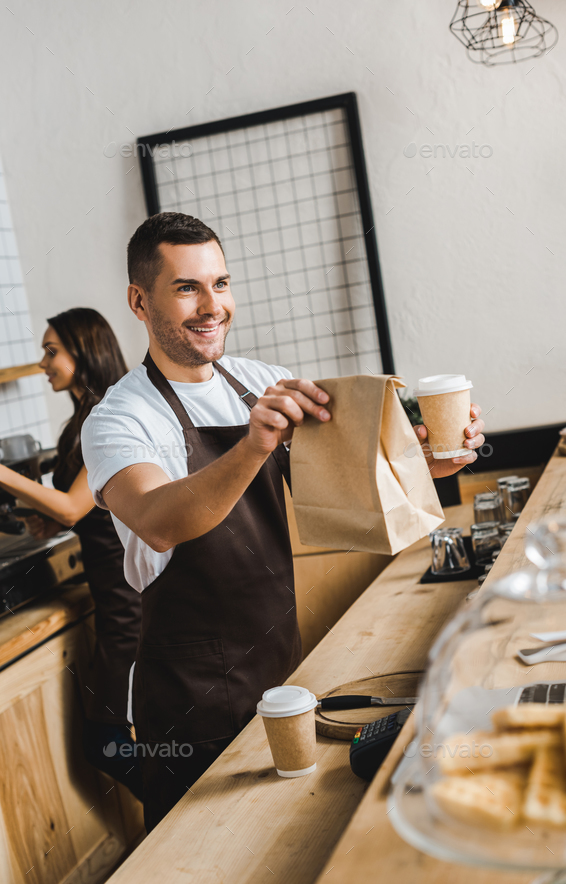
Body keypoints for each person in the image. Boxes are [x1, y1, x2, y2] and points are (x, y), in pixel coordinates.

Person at [80, 212, 485, 831]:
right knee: (203, 853)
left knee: (286, 837)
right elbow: (158, 519)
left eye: (220, 283)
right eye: (187, 287)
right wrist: (253, 445)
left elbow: (354, 491)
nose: (211, 305)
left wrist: (437, 458)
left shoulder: (260, 382)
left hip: (282, 668)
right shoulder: (118, 419)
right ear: (140, 300)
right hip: (190, 705)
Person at [0, 308, 143, 801]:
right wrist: (55, 517)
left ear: (85, 353)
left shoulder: (105, 416)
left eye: (51, 351)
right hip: (115, 598)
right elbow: (84, 508)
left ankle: (183, 806)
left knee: (107, 745)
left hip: (130, 603)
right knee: (113, 742)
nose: (43, 362)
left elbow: (73, 504)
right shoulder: (80, 421)